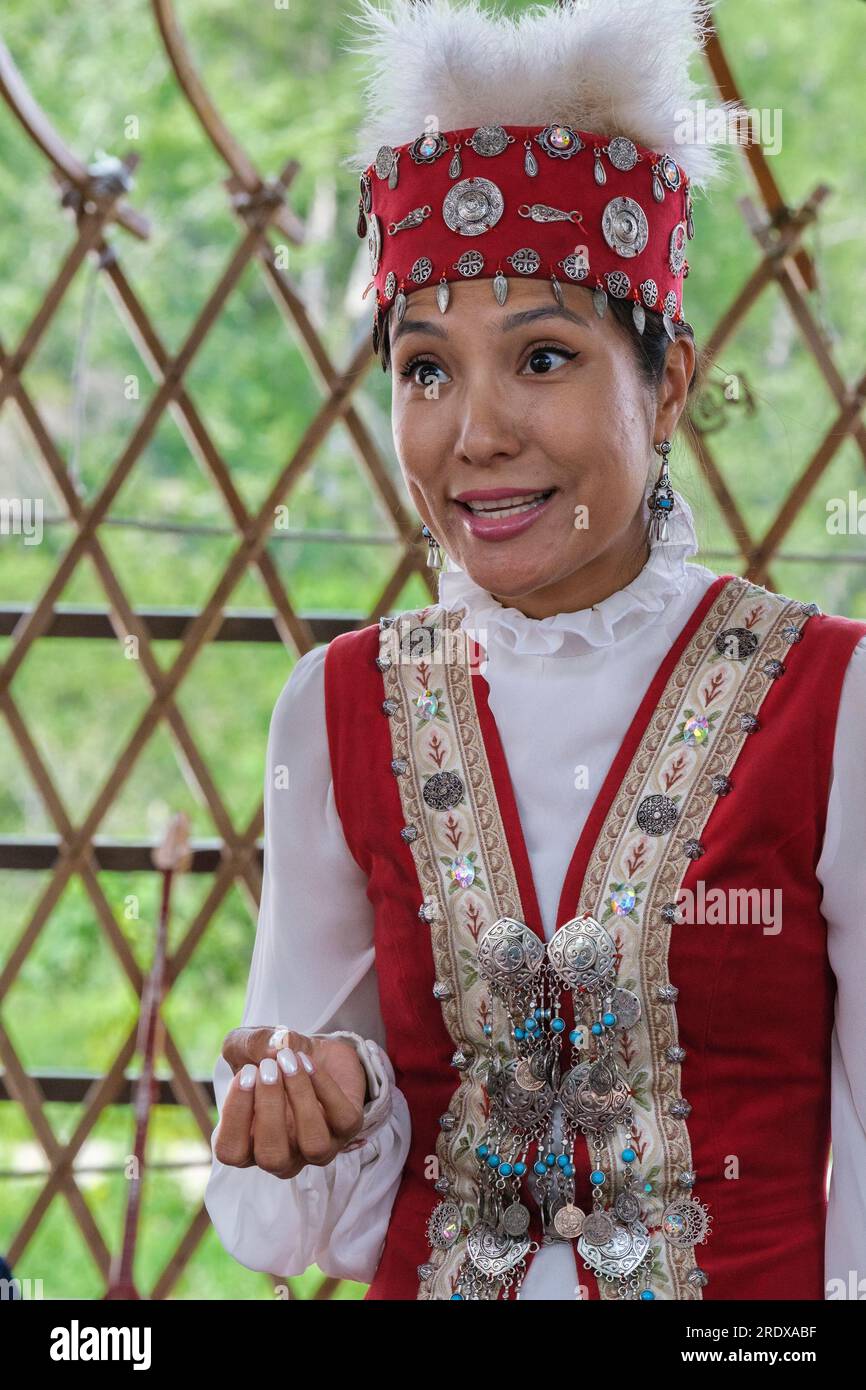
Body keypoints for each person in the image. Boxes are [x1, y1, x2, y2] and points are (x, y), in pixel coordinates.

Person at [204, 0, 866, 1300]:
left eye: (544, 357)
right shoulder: (334, 708)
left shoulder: (832, 702)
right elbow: (282, 1225)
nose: (474, 433)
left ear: (666, 382)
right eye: (425, 368)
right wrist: (312, 1111)